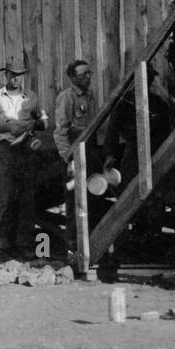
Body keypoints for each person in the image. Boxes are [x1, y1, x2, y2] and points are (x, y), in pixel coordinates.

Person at [0, 58, 48, 261]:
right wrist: (6, 127)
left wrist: (33, 125)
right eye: (12, 74)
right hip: (5, 150)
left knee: (27, 199)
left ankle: (24, 246)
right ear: (6, 75)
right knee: (5, 198)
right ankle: (0, 247)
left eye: (20, 74)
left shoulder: (32, 97)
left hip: (26, 149)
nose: (16, 78)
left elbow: (44, 121)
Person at [54, 58, 106, 260]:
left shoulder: (91, 97)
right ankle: (73, 250)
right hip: (74, 156)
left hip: (90, 153)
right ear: (73, 78)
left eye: (89, 73)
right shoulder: (66, 98)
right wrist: (68, 159)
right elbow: (61, 132)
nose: (88, 77)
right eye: (83, 74)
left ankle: (89, 247)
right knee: (74, 203)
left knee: (91, 199)